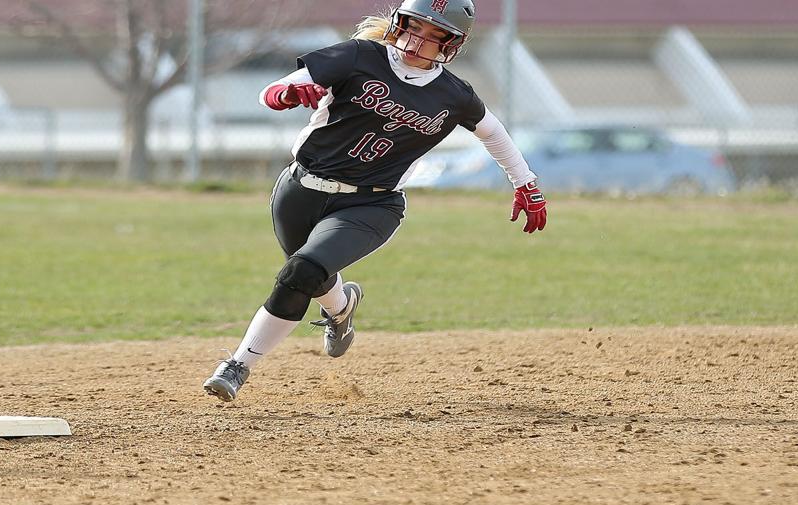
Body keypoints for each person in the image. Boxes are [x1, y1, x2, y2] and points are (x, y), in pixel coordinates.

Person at [204, 0, 546, 402]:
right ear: (399, 23)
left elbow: (493, 132)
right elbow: (271, 91)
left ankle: (238, 365)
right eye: (415, 26)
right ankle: (342, 306)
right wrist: (288, 93)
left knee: (301, 272)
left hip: (371, 205)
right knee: (309, 274)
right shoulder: (356, 56)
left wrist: (525, 181)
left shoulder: (453, 95)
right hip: (299, 190)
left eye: (436, 35)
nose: (420, 41)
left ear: (452, 44)